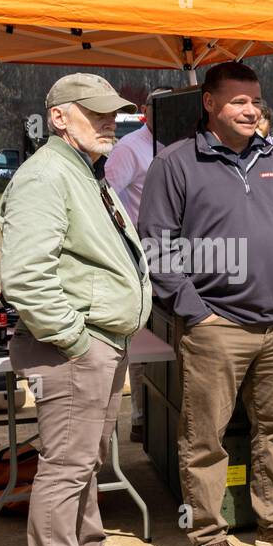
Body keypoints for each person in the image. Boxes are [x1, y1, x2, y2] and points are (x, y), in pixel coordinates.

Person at [139, 60, 273, 546]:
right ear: (210, 103)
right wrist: (195, 311)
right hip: (216, 326)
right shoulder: (175, 164)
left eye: (256, 100)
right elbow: (156, 245)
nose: (251, 109)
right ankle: (208, 535)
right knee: (206, 437)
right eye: (238, 100)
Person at [0, 73, 156, 546]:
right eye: (96, 112)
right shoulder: (45, 176)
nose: (110, 120)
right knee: (64, 470)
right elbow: (25, 278)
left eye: (114, 112)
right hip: (71, 350)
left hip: (97, 343)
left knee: (83, 460)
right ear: (59, 117)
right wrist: (75, 338)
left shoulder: (84, 171)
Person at [105, 84, 170, 444]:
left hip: (183, 256)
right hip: (140, 258)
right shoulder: (129, 149)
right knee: (143, 340)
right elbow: (109, 199)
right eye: (157, 108)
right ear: (146, 111)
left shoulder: (186, 147)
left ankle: (168, 415)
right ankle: (142, 417)